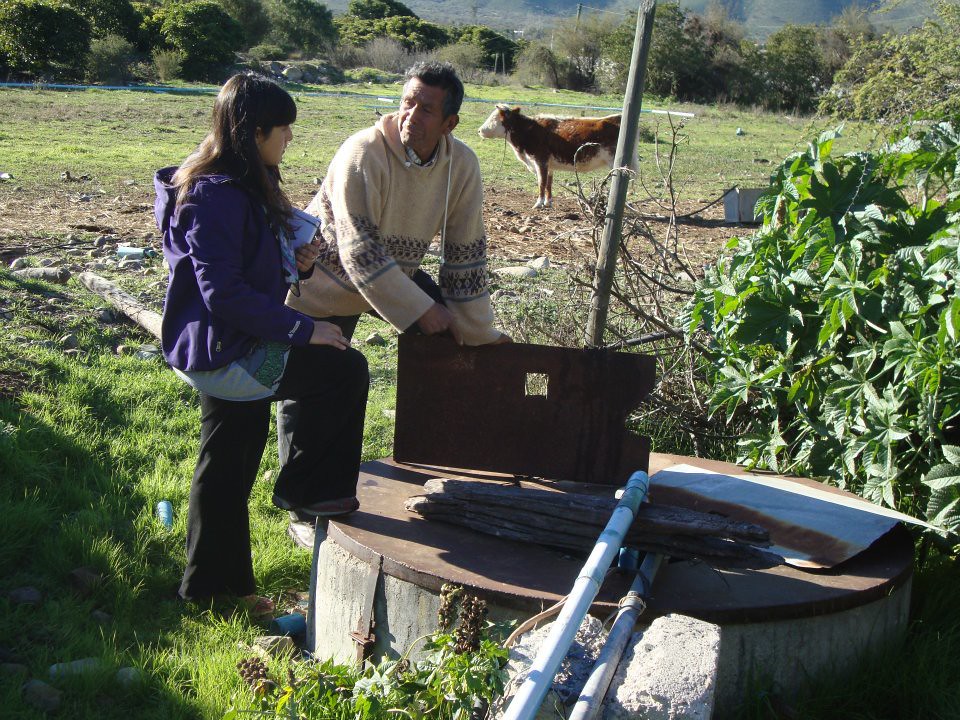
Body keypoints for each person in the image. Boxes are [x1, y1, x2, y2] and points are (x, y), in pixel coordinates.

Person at [154, 73, 369, 611]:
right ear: (253, 132)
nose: (290, 137)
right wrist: (304, 327)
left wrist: (292, 264)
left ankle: (212, 590)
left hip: (224, 340)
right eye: (284, 128)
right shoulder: (215, 194)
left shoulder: (238, 181)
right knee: (343, 370)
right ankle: (309, 493)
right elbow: (222, 293)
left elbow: (242, 274)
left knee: (227, 461)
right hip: (226, 348)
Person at [279, 62, 509, 504]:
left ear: (450, 123)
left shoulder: (461, 165)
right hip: (319, 284)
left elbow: (465, 252)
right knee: (315, 392)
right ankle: (303, 502)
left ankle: (439, 457)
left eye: (425, 109)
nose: (411, 116)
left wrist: (478, 330)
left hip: (393, 278)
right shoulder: (362, 152)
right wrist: (424, 310)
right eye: (407, 102)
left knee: (454, 339)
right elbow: (357, 249)